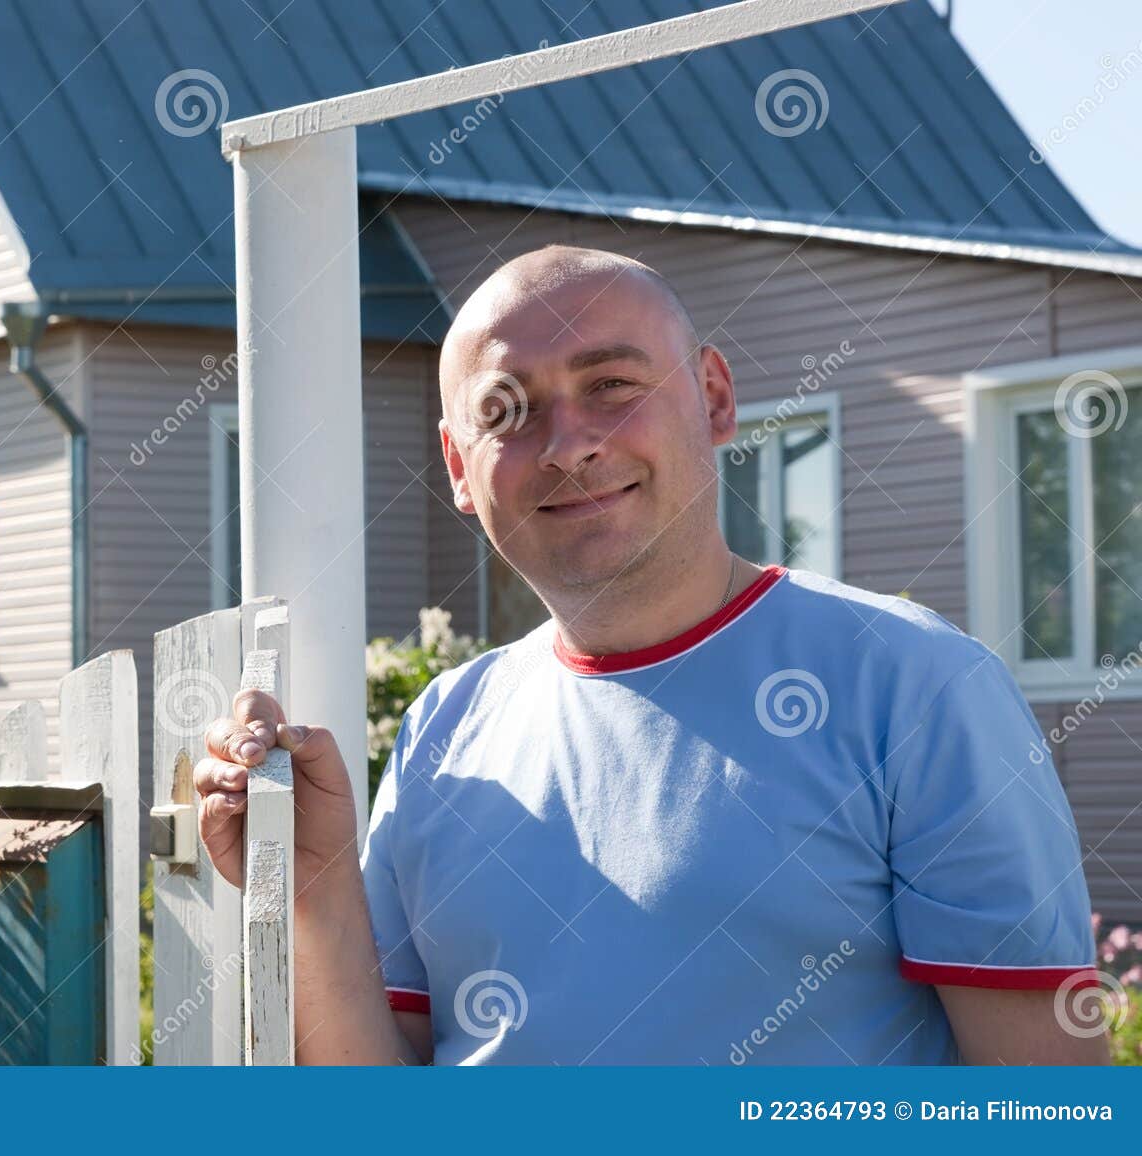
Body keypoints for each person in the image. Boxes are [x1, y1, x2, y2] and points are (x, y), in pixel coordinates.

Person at [194, 244, 1107, 1065]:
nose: (570, 444)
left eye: (612, 385)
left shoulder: (913, 685)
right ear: (459, 468)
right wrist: (312, 891)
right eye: (507, 411)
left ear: (713, 398)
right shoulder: (446, 727)